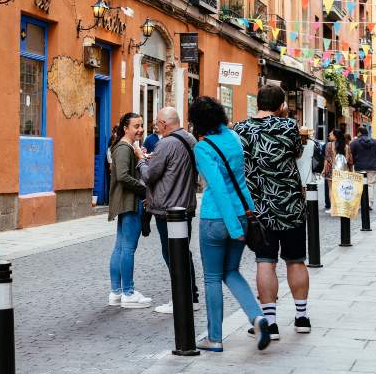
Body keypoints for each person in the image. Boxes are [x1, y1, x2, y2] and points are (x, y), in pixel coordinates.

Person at [188, 96, 271, 353]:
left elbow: (219, 189)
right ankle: (257, 317)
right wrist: (247, 217)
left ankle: (214, 338)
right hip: (243, 214)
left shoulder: (203, 148)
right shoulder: (234, 139)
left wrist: (233, 227)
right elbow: (241, 182)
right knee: (231, 271)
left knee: (213, 277)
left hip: (216, 219)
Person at [233, 85, 311, 338]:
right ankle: (301, 318)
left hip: (259, 208)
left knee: (265, 262)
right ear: (281, 105)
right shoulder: (289, 126)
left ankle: (271, 322)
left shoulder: (241, 129)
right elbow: (297, 152)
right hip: (289, 204)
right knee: (296, 261)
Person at [136, 106, 200, 314]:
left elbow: (149, 176)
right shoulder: (190, 139)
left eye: (157, 124)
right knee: (183, 252)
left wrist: (141, 160)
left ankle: (180, 300)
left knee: (171, 253)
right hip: (186, 206)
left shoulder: (166, 143)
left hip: (168, 209)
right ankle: (192, 295)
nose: (156, 127)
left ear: (164, 124)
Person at [106, 112, 152, 309]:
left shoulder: (127, 147)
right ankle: (128, 293)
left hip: (125, 202)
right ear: (125, 128)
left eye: (141, 125)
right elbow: (123, 176)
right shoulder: (124, 148)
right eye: (136, 126)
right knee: (127, 248)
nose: (140, 129)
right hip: (129, 202)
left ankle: (116, 292)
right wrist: (145, 190)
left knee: (120, 247)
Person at [349, 127, 376, 208]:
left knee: (359, 185)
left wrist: (353, 163)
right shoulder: (374, 142)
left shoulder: (354, 143)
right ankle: (369, 203)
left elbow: (351, 155)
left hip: (359, 166)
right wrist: (375, 163)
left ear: (359, 133)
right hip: (372, 166)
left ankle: (362, 203)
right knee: (370, 185)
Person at [322, 129, 353, 213]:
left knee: (331, 189)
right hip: (343, 172)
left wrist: (324, 169)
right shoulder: (346, 146)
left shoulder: (329, 145)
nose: (329, 136)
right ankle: (342, 207)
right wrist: (351, 171)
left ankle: (333, 208)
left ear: (335, 136)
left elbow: (327, 159)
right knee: (342, 189)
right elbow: (350, 161)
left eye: (331, 135)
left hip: (331, 171)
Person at [296, 127, 324, 191]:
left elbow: (317, 157)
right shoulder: (298, 143)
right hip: (300, 169)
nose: (303, 137)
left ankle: (304, 199)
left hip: (308, 169)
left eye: (304, 136)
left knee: (306, 188)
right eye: (302, 136)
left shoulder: (311, 143)